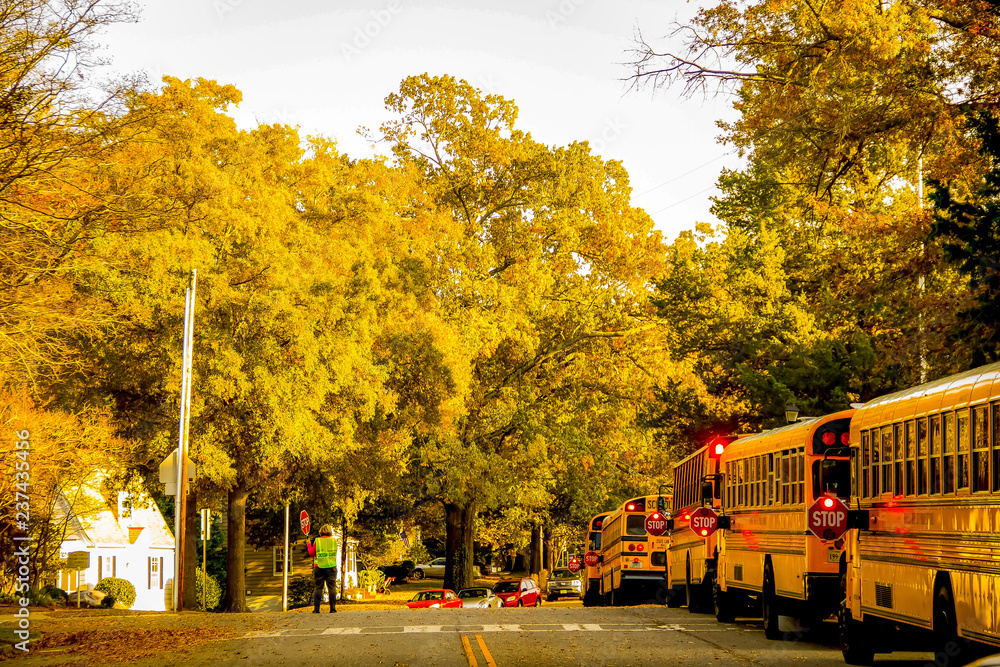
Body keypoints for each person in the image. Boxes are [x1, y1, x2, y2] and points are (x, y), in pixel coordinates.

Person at [307, 524, 338, 613]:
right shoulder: (334, 541)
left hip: (319, 567)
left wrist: (309, 544)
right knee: (332, 588)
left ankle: (316, 609)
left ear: (320, 532)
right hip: (331, 566)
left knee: (318, 588)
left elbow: (311, 553)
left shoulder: (318, 541)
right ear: (330, 532)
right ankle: (332, 609)